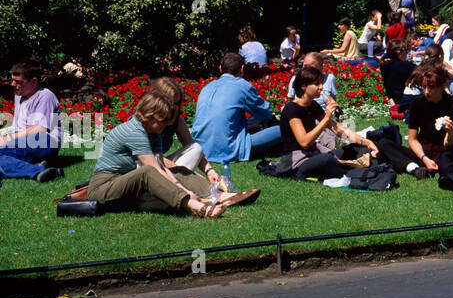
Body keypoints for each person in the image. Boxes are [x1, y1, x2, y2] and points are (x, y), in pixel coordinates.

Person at [88, 78, 253, 216]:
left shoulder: (153, 131)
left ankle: (219, 195)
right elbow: (154, 169)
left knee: (173, 171)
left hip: (130, 183)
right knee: (149, 172)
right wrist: (186, 193)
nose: (168, 123)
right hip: (105, 188)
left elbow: (162, 167)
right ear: (152, 113)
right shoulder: (134, 131)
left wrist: (201, 174)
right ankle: (195, 207)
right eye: (164, 120)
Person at [280, 63, 380, 182]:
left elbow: (338, 129)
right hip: (298, 161)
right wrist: (326, 118)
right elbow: (304, 142)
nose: (321, 87)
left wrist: (366, 142)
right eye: (317, 84)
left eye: (321, 83)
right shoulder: (291, 109)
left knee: (357, 149)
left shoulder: (312, 105)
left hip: (315, 154)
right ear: (303, 86)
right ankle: (361, 170)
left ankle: (359, 168)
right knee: (326, 159)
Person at [192, 52, 282, 164]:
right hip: (228, 149)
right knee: (283, 128)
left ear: (220, 68)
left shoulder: (207, 87)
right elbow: (266, 113)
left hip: (200, 148)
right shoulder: (242, 86)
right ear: (242, 69)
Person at [0, 59, 64, 182]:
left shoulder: (45, 96)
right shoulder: (19, 95)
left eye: (18, 81)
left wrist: (6, 139)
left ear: (34, 81)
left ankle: (36, 170)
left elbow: (39, 129)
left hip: (45, 141)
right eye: (12, 80)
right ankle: (40, 168)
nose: (13, 84)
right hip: (25, 141)